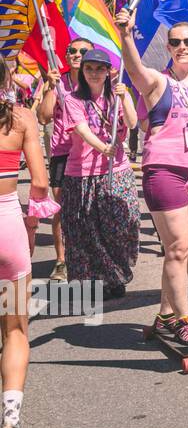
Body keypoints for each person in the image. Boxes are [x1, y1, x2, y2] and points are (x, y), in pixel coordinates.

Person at [116, 10, 188, 355]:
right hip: (165, 170)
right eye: (175, 42)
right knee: (177, 245)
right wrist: (127, 35)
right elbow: (135, 71)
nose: (181, 47)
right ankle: (184, 320)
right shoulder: (160, 82)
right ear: (168, 47)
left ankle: (166, 313)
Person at [0, 60, 57, 428]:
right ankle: (10, 419)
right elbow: (39, 182)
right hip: (5, 224)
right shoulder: (20, 119)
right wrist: (29, 227)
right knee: (16, 330)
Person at [61, 49, 139, 300]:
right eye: (89, 68)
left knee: (123, 224)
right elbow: (82, 130)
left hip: (117, 170)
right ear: (82, 71)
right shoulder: (73, 99)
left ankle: (117, 271)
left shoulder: (115, 96)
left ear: (109, 71)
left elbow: (134, 122)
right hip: (82, 173)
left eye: (100, 68)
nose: (94, 73)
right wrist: (102, 147)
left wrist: (125, 98)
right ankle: (98, 282)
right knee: (86, 232)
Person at [34, 38, 92, 284]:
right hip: (63, 152)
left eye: (83, 51)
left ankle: (90, 257)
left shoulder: (97, 81)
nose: (76, 54)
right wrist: (50, 87)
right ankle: (61, 260)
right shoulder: (58, 82)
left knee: (90, 208)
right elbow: (44, 117)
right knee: (61, 207)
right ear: (66, 55)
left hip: (91, 153)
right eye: (72, 50)